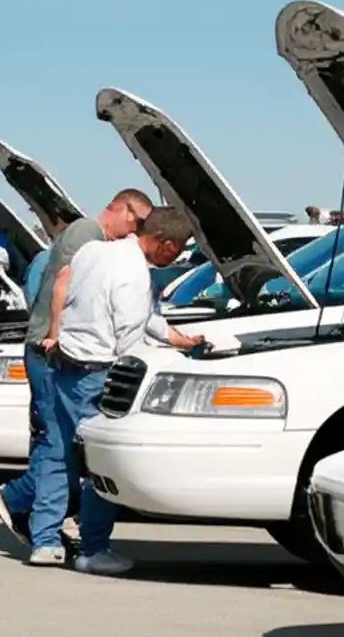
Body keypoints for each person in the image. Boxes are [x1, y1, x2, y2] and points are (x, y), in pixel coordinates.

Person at [17, 207, 204, 575]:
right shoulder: (135, 277)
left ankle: (45, 543)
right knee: (100, 463)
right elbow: (129, 342)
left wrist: (177, 337)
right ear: (166, 245)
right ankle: (94, 548)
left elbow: (63, 285)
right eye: (178, 249)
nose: (178, 257)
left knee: (57, 452)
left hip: (62, 364)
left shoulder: (95, 251)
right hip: (97, 375)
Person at [0, 189, 154, 561]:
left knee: (59, 442)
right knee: (63, 445)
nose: (136, 230)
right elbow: (62, 287)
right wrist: (55, 336)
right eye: (137, 221)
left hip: (55, 350)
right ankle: (18, 500)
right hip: (55, 352)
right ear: (122, 208)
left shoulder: (93, 242)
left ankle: (42, 530)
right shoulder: (87, 237)